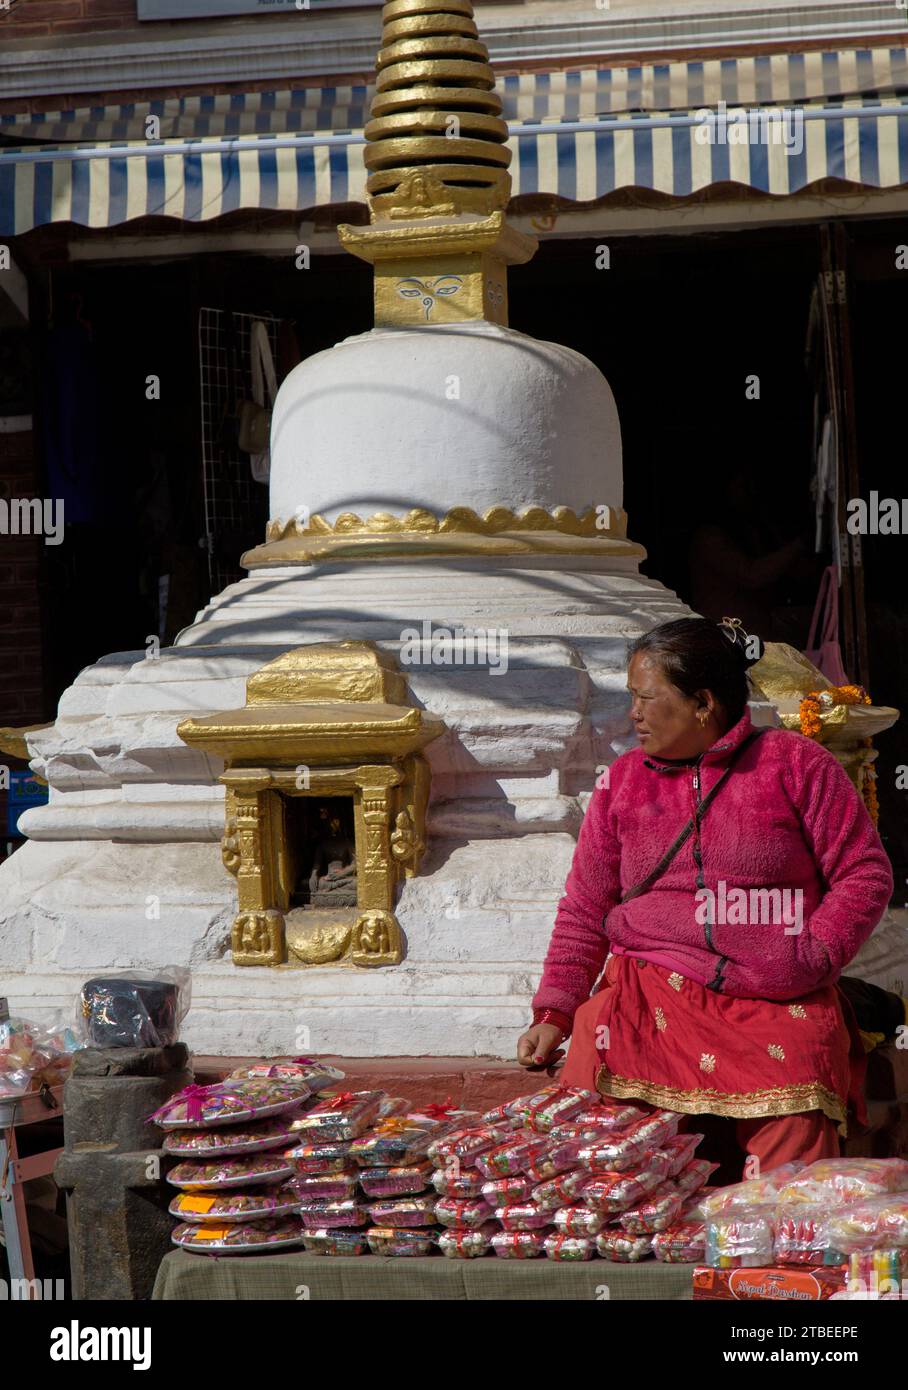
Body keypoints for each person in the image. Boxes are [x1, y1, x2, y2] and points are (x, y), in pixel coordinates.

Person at [517, 617, 893, 1175]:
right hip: (650, 985)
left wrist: (812, 955)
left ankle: (779, 1248)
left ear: (703, 703)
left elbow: (863, 874)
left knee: (796, 1120)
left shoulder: (795, 764)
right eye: (632, 698)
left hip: (776, 990)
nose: (633, 714)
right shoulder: (622, 781)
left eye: (647, 698)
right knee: (597, 1139)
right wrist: (555, 1009)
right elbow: (586, 906)